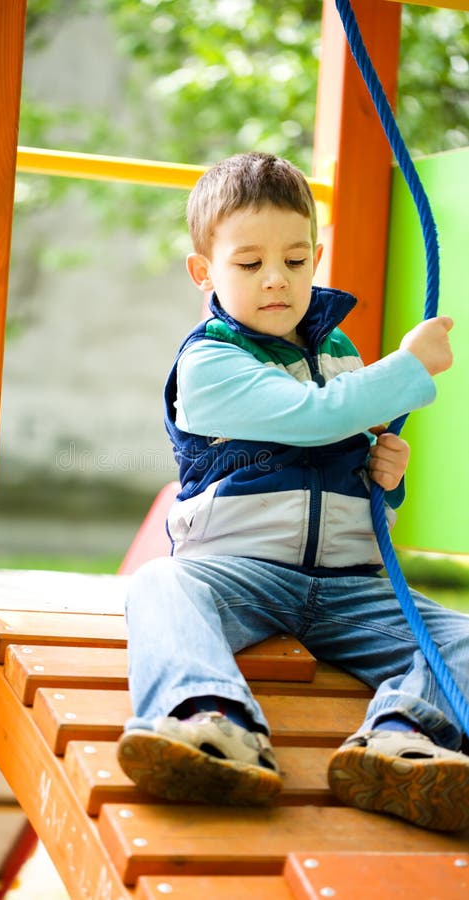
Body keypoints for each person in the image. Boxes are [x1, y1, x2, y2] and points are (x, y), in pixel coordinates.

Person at [117, 152, 469, 832]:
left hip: (349, 585)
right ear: (204, 272)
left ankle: (404, 740)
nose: (276, 280)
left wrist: (382, 480)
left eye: (296, 260)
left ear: (316, 256)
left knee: (455, 635)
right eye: (248, 265)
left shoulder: (338, 352)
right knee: (160, 585)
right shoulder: (209, 362)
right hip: (238, 571)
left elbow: (342, 451)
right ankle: (210, 721)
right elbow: (312, 417)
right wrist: (406, 368)